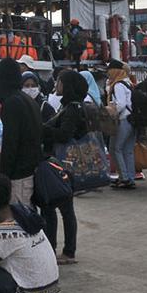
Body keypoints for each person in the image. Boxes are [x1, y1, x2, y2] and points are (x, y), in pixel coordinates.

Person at [40, 71, 86, 265]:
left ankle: (68, 252)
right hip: (63, 162)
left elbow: (65, 134)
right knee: (59, 207)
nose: (56, 84)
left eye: (59, 81)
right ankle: (60, 249)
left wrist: (42, 128)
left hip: (64, 163)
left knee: (62, 207)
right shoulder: (69, 105)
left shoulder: (73, 108)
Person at [0, 58, 42, 206]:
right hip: (30, 170)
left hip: (18, 176)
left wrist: (4, 178)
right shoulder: (28, 100)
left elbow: (11, 143)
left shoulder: (12, 103)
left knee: (19, 222)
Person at [106, 60, 137, 189]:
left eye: (109, 70)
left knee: (115, 149)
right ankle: (130, 177)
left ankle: (124, 177)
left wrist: (110, 110)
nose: (107, 73)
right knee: (128, 150)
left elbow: (121, 104)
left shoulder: (118, 85)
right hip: (133, 120)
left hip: (123, 120)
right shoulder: (128, 83)